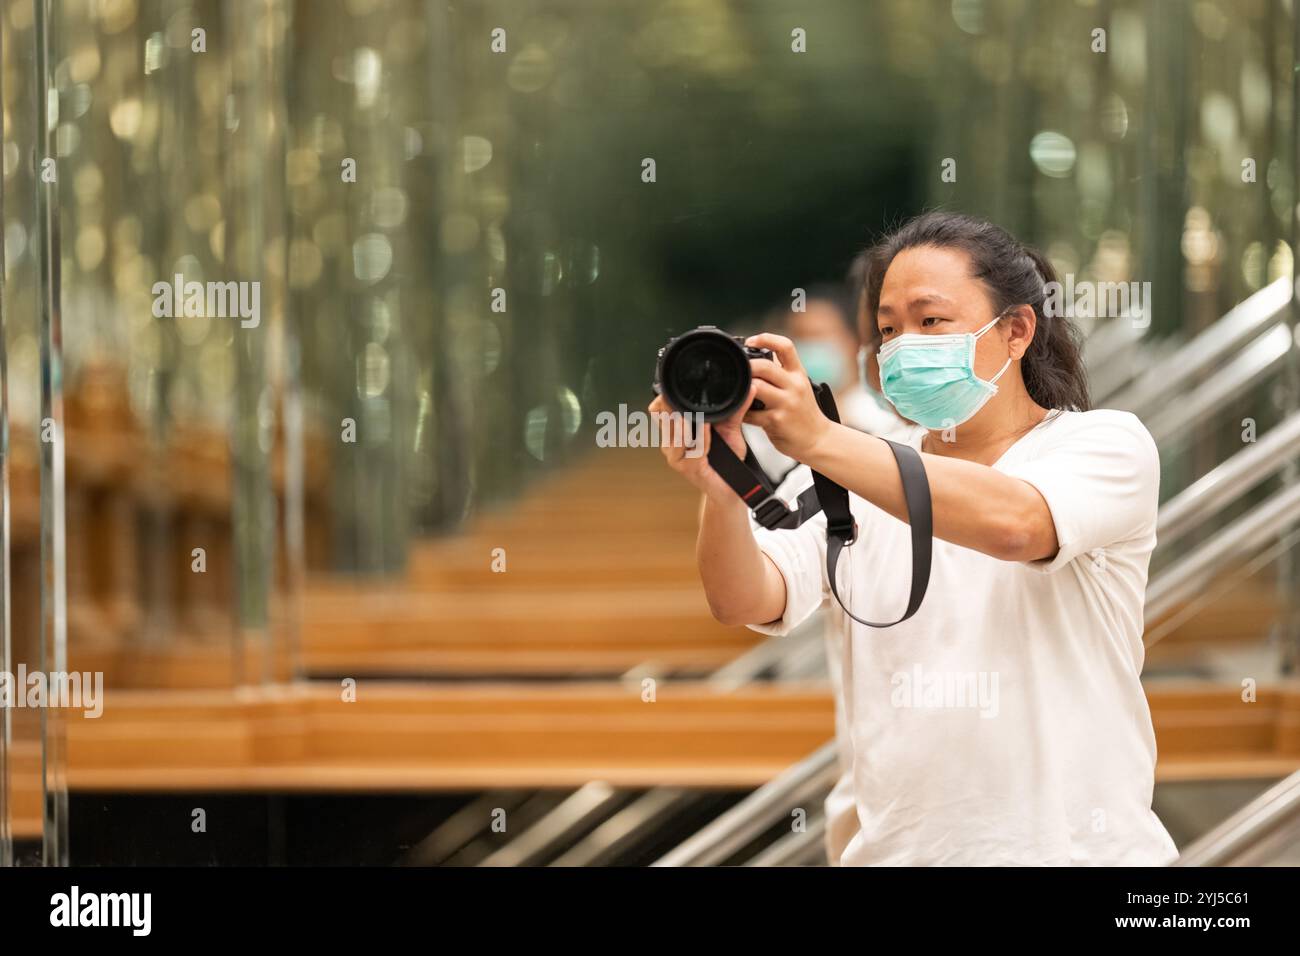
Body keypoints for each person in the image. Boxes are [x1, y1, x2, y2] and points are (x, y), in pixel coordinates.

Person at [650, 211, 1178, 866]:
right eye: (889, 329)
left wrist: (819, 438)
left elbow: (1018, 526)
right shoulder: (843, 472)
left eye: (931, 322)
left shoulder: (1103, 444)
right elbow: (744, 598)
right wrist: (722, 493)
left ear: (1016, 329)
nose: (904, 347)